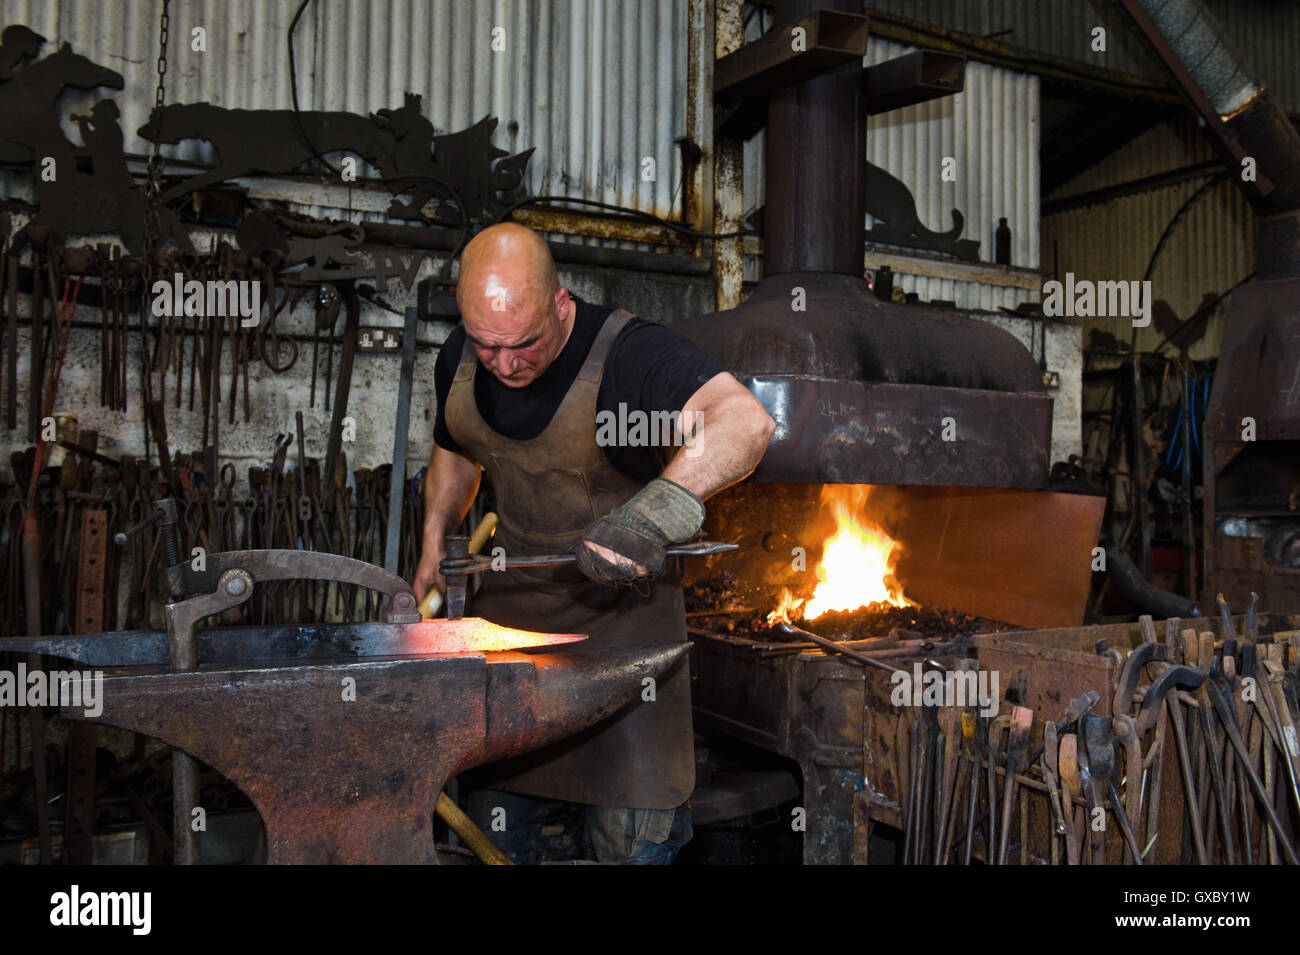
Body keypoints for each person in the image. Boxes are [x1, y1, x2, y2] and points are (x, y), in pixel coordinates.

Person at [412, 222, 774, 863]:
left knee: (632, 845)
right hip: (512, 646)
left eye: (521, 344)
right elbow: (456, 450)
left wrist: (651, 515)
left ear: (560, 303)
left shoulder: (629, 355)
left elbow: (744, 421)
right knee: (490, 837)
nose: (504, 364)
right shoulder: (463, 357)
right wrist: (434, 541)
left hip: (624, 649)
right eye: (486, 346)